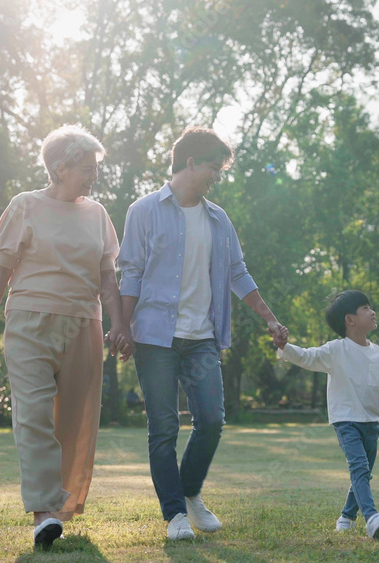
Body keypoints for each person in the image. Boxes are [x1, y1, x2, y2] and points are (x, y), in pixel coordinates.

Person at [117, 127, 286, 541]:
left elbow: (237, 273)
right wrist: (121, 325)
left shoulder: (218, 218)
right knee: (164, 427)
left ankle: (190, 492)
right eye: (214, 167)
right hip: (155, 337)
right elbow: (130, 272)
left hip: (202, 337)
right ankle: (174, 514)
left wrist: (270, 317)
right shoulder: (143, 210)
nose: (217, 176)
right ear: (190, 162)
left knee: (211, 420)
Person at [0, 124, 132, 549]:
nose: (94, 175)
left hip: (85, 324)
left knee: (75, 421)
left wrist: (119, 324)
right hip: (28, 321)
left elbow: (107, 280)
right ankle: (43, 510)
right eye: (87, 167)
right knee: (34, 414)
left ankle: (61, 508)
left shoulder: (97, 214)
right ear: (61, 168)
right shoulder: (25, 206)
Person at [273, 290, 379, 540]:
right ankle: (372, 517)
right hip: (346, 421)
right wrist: (284, 346)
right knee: (359, 468)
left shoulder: (378, 352)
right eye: (365, 308)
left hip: (372, 423)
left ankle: (346, 517)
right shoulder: (335, 350)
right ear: (349, 320)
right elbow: (307, 357)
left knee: (362, 473)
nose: (372, 311)